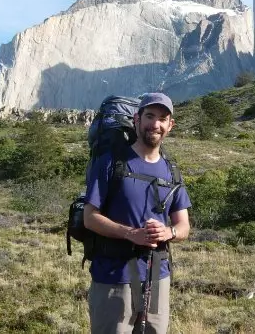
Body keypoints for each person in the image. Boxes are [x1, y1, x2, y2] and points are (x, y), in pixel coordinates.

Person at [84, 92, 191, 334]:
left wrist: (168, 232)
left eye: (163, 118)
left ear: (170, 126)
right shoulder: (111, 163)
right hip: (113, 276)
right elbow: (90, 217)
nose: (156, 124)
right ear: (137, 119)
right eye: (150, 116)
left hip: (158, 277)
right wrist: (131, 233)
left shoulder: (172, 171)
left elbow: (184, 226)